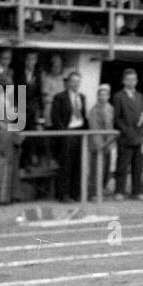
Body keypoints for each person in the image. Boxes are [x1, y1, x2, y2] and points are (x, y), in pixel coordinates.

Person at [49, 71, 88, 202]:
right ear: (68, 83)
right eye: (73, 81)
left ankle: (75, 193)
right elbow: (55, 117)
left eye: (78, 81)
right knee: (66, 164)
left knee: (78, 164)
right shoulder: (59, 97)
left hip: (79, 133)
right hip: (67, 133)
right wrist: (64, 134)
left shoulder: (82, 97)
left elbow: (83, 116)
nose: (76, 84)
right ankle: (63, 194)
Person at [112, 68, 143, 200]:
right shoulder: (118, 96)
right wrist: (126, 130)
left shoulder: (139, 96)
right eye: (129, 79)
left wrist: (142, 122)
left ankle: (137, 192)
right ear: (123, 81)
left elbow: (142, 114)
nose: (131, 82)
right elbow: (117, 118)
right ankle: (119, 191)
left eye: (134, 79)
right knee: (122, 165)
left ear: (136, 81)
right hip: (125, 136)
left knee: (137, 166)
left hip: (138, 135)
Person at [88, 83, 116, 198]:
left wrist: (110, 143)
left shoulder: (111, 109)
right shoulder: (94, 110)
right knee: (96, 169)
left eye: (105, 95)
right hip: (98, 144)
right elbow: (94, 127)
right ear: (98, 96)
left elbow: (112, 125)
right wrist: (100, 144)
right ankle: (94, 193)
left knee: (106, 170)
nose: (103, 97)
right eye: (101, 95)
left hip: (109, 144)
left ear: (108, 96)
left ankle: (103, 190)